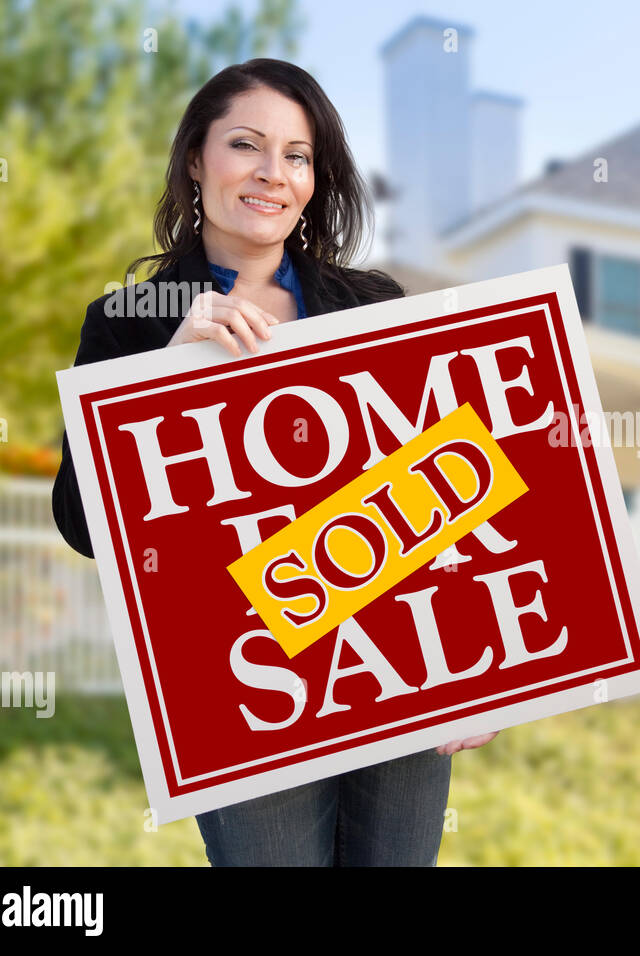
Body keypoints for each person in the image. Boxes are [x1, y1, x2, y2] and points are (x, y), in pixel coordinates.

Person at [50, 58, 496, 866]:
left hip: (395, 662)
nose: (272, 174)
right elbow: (83, 524)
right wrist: (163, 379)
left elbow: (447, 496)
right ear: (196, 160)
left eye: (297, 154)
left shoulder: (372, 306)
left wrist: (473, 680)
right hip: (241, 683)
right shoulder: (128, 321)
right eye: (246, 145)